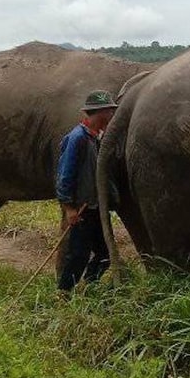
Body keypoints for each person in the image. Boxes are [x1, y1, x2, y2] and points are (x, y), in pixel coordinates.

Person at [55, 90, 118, 292]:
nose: (112, 116)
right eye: (110, 112)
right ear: (101, 112)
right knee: (78, 256)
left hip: (94, 208)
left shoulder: (94, 138)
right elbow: (65, 175)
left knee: (105, 254)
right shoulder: (77, 138)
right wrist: (69, 208)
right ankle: (64, 293)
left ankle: (89, 288)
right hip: (81, 210)